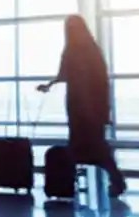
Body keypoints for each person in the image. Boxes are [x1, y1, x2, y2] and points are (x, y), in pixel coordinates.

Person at [37, 15, 127, 198]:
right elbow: (64, 74)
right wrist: (50, 85)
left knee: (92, 148)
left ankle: (108, 182)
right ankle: (109, 182)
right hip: (81, 106)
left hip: (87, 107)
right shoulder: (85, 50)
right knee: (92, 148)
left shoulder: (78, 51)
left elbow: (76, 77)